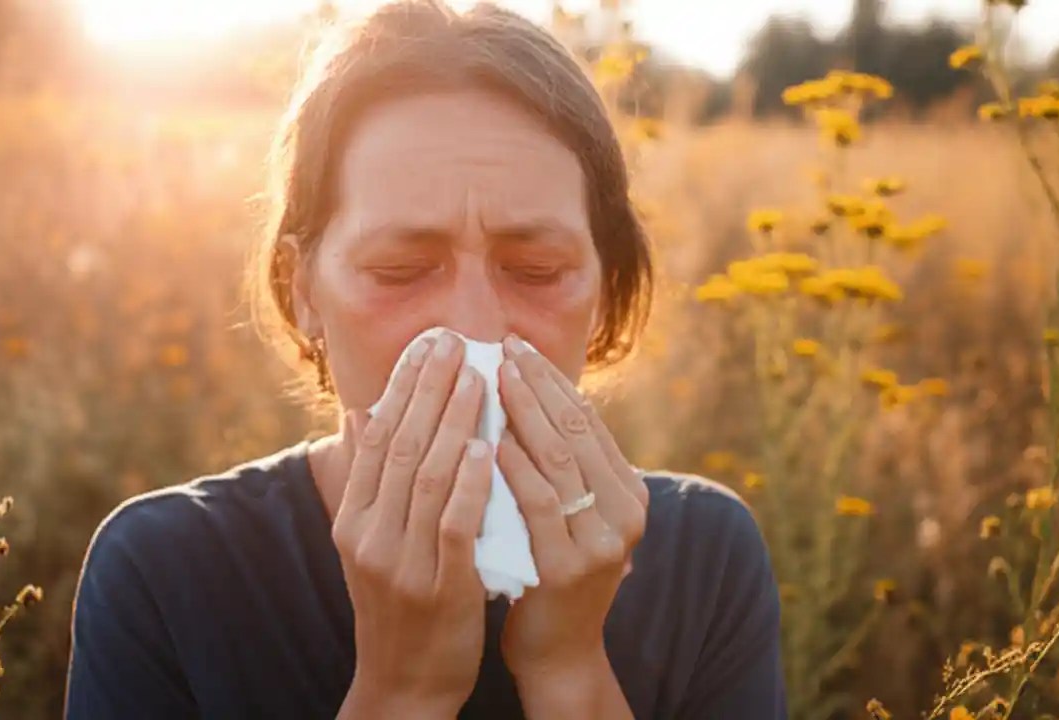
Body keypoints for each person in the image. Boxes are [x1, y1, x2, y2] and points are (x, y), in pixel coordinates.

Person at [63, 1, 786, 717]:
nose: (473, 328)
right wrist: (404, 690)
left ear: (605, 288)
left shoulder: (705, 560)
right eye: (400, 270)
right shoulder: (169, 573)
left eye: (535, 271)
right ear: (302, 287)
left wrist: (569, 665)